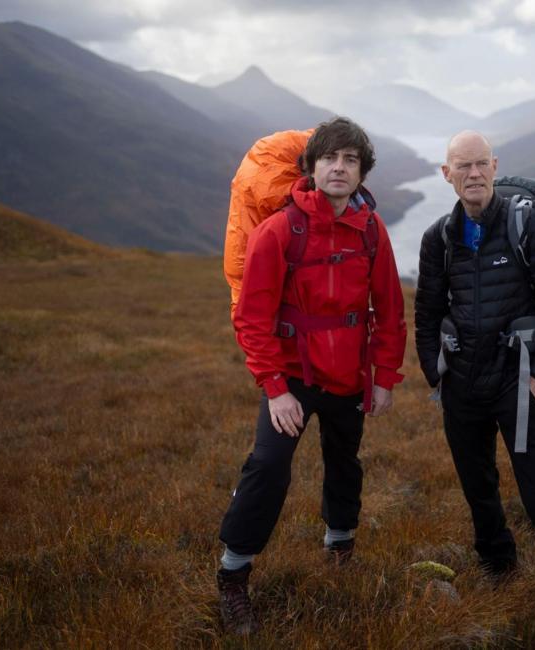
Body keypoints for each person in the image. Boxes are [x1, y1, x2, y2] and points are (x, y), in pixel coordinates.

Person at [217, 117, 407, 636]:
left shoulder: (371, 230)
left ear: (362, 172)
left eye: (350, 160)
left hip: (347, 374)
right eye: (329, 158)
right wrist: (275, 389)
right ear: (311, 167)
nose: (338, 168)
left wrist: (384, 376)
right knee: (268, 465)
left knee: (344, 461)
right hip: (293, 376)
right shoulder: (279, 230)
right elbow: (252, 319)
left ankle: (340, 548)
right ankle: (233, 574)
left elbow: (390, 309)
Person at [414, 131, 535, 611]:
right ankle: (498, 567)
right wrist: (436, 373)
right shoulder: (438, 238)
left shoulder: (526, 223)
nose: (473, 174)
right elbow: (427, 313)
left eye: (481, 164)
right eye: (463, 166)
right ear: (446, 174)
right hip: (462, 384)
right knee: (478, 487)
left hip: (519, 383)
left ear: (494, 166)